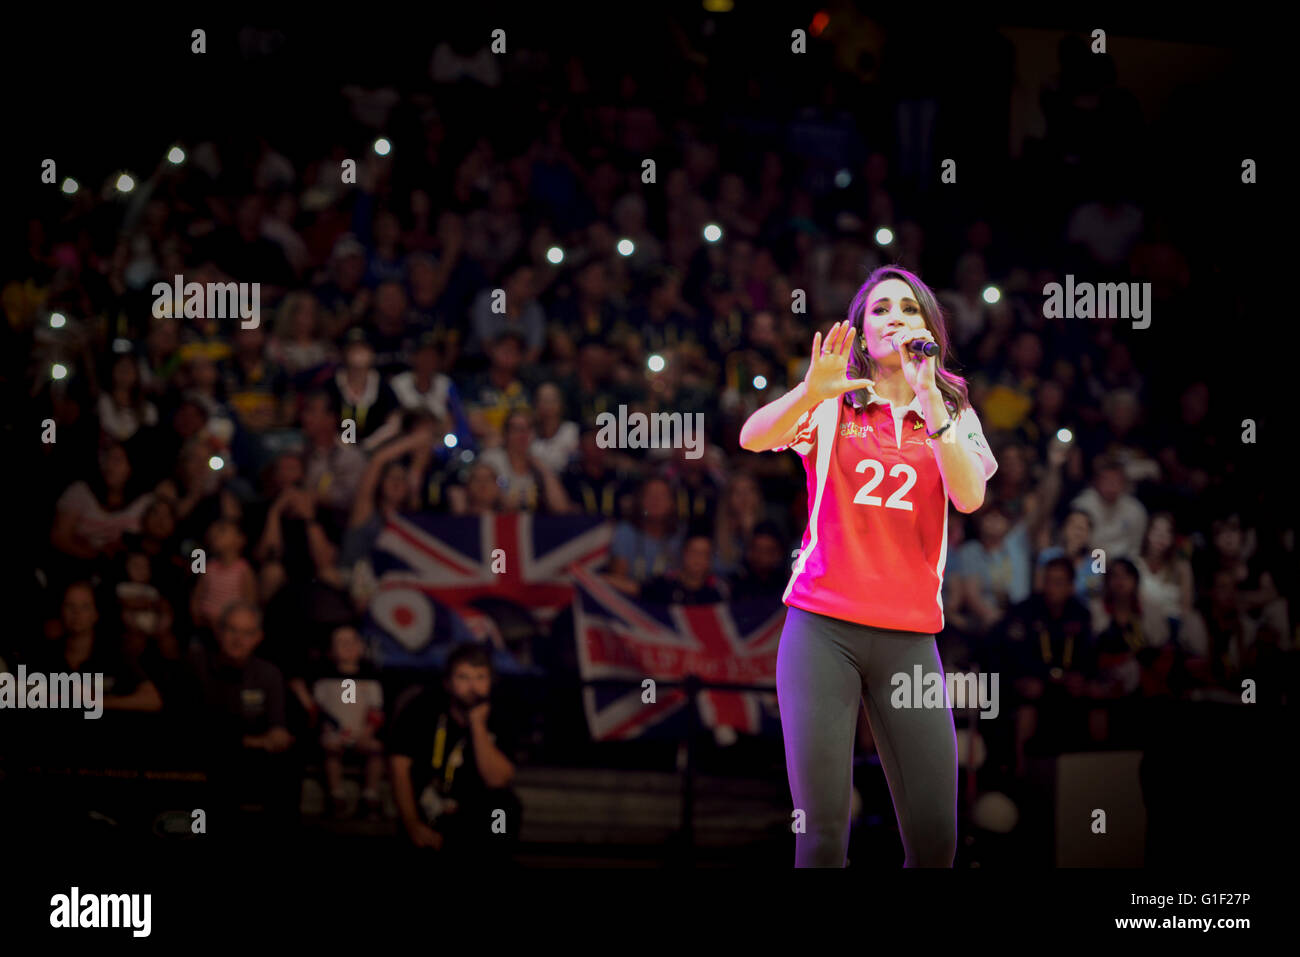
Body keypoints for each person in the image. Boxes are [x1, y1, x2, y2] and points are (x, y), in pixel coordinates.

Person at [739, 266, 998, 867]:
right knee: (824, 837)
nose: (893, 319)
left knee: (936, 843)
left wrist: (930, 396)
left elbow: (969, 497)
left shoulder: (953, 410)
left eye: (908, 309)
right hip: (822, 631)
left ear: (928, 329)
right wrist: (810, 389)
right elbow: (753, 438)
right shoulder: (835, 402)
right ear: (860, 329)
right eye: (879, 309)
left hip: (910, 641)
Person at [387, 643, 521, 863]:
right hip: (429, 804)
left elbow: (498, 780)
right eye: (463, 677)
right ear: (448, 683)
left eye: (480, 677)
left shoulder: (500, 717)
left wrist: (477, 725)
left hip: (476, 811)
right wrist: (412, 823)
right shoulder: (422, 707)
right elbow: (398, 766)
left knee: (504, 809)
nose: (473, 686)